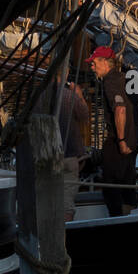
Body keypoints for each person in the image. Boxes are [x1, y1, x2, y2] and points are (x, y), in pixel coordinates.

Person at [89, 46, 138, 216]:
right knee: (127, 182)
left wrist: (122, 140)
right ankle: (129, 214)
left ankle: (117, 219)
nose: (92, 67)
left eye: (94, 63)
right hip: (135, 138)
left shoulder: (110, 81)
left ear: (105, 62)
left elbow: (120, 110)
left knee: (109, 184)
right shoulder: (125, 78)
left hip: (120, 139)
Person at [56, 73, 89, 223]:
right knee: (67, 202)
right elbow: (84, 117)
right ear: (65, 74)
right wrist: (79, 95)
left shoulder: (39, 96)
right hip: (69, 154)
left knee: (49, 198)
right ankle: (65, 236)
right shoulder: (70, 96)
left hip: (45, 156)